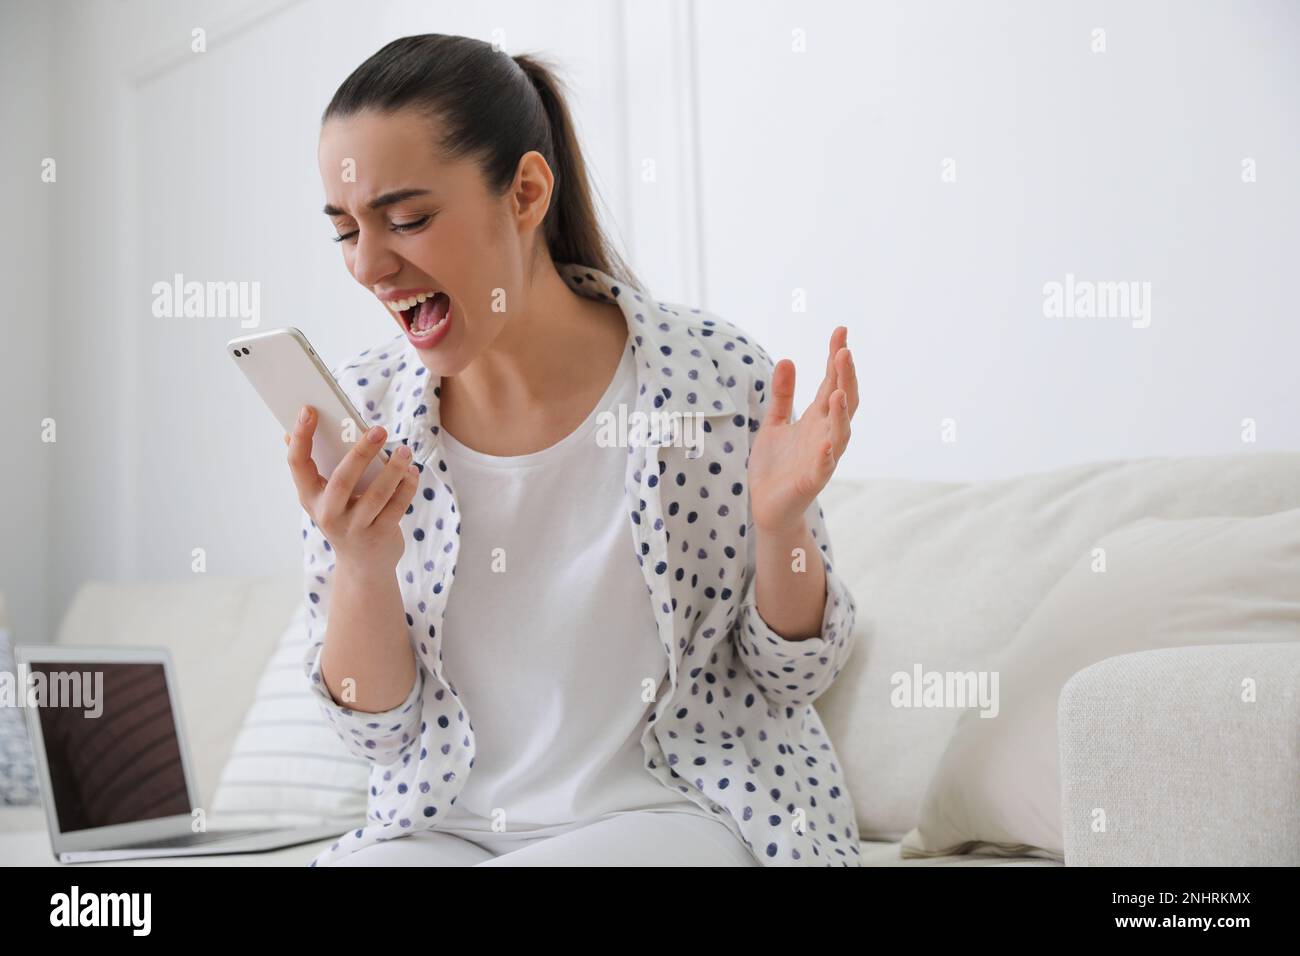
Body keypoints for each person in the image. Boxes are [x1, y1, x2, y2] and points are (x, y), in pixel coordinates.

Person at [285, 34, 861, 866]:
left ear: (525, 193)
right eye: (345, 230)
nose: (371, 266)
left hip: (672, 810)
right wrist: (361, 566)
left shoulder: (709, 379)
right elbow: (376, 735)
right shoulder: (366, 412)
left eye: (407, 218)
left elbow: (792, 679)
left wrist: (782, 528)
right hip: (441, 828)